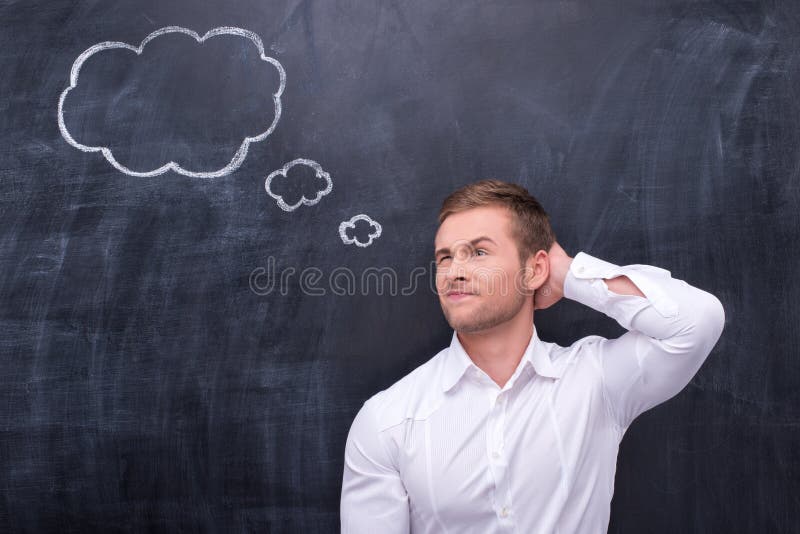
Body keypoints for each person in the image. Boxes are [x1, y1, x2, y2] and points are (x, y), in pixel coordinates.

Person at [340, 179, 725, 533]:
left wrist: (567, 273)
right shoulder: (387, 421)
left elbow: (697, 321)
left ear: (535, 268)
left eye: (478, 252)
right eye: (444, 257)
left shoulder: (595, 380)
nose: (454, 271)